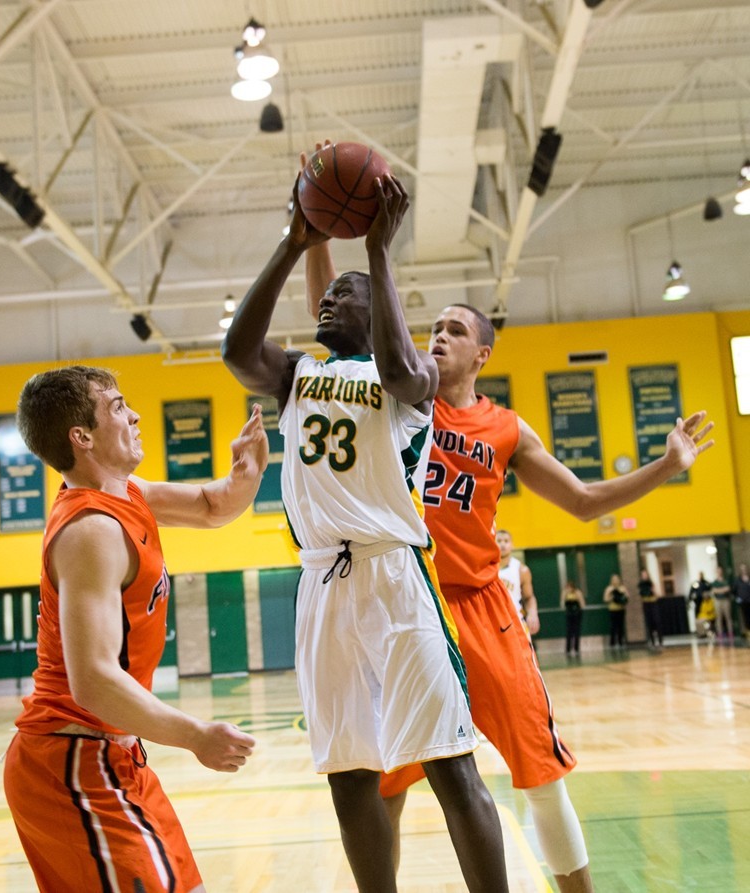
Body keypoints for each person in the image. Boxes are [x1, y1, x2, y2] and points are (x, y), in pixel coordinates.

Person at [303, 197, 715, 893]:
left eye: (454, 329)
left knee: (539, 772)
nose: (437, 334)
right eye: (432, 325)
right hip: (409, 601)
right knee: (387, 783)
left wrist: (668, 465)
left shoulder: (507, 429)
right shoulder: (400, 394)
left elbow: (584, 501)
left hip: (484, 607)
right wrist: (317, 237)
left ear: (482, 352)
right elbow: (334, 323)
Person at [223, 174, 507, 893]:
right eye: (326, 294)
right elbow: (236, 351)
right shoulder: (296, 375)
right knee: (349, 776)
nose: (326, 300)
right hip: (321, 583)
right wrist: (294, 244)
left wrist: (379, 251)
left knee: (450, 763)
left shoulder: (409, 380)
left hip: (394, 578)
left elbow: (401, 364)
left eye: (340, 294)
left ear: (374, 309)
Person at [3, 366, 264, 893]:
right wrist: (195, 736)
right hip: (71, 760)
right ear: (83, 437)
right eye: (119, 407)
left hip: (113, 754)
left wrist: (248, 473)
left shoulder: (127, 493)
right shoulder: (92, 531)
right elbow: (93, 680)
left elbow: (213, 507)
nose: (135, 414)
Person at [496, 529, 539, 637]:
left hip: (515, 622)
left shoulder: (521, 569)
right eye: (499, 541)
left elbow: (529, 597)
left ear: (512, 545)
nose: (503, 544)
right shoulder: (484, 568)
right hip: (491, 623)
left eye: (506, 541)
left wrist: (532, 613)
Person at [603, 574, 629, 650]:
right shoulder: (609, 588)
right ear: (611, 580)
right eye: (614, 579)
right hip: (613, 609)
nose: (615, 581)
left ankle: (621, 642)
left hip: (621, 609)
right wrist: (612, 597)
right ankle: (612, 643)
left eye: (617, 579)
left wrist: (622, 598)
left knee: (621, 626)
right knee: (613, 627)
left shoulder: (622, 588)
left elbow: (627, 596)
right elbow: (605, 599)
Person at [638, 569, 662, 650]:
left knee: (657, 621)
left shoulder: (652, 583)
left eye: (645, 574)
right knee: (649, 622)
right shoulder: (641, 585)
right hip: (646, 604)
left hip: (653, 603)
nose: (644, 576)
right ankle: (652, 642)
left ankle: (660, 641)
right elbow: (640, 596)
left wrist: (653, 590)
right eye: (643, 574)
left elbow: (658, 595)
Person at [561, 580, 586, 658]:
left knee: (576, 631)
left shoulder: (577, 592)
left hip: (577, 614)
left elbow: (582, 604)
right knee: (569, 631)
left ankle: (576, 649)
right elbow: (562, 604)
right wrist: (565, 595)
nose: (569, 588)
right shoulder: (565, 593)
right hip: (569, 614)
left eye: (570, 587)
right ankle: (568, 649)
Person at [710, 566, 734, 642]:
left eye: (720, 570)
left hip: (725, 600)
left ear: (722, 571)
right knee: (719, 618)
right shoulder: (714, 582)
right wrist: (722, 590)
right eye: (718, 571)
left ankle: (730, 633)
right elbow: (714, 591)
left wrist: (719, 590)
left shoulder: (725, 581)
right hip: (718, 601)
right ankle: (720, 634)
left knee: (728, 617)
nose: (719, 572)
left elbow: (728, 589)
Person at [735, 563, 750, 639]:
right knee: (745, 617)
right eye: (742, 569)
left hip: (749, 599)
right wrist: (738, 598)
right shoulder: (738, 580)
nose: (743, 570)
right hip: (743, 601)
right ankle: (747, 632)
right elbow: (734, 590)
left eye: (744, 568)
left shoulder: (748, 578)